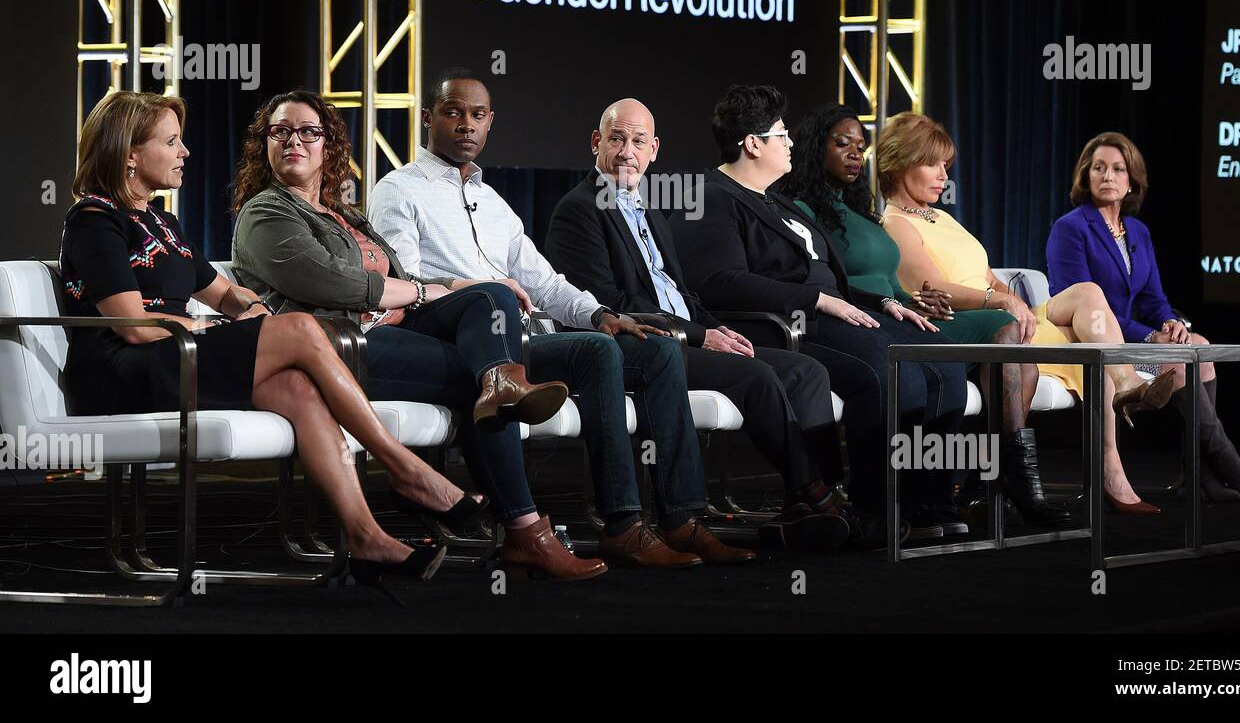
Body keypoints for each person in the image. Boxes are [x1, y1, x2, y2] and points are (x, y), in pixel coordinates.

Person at [60, 90, 453, 590]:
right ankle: (405, 468)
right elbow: (133, 326)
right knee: (304, 328)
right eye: (172, 142)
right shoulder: (95, 221)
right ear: (130, 154)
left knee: (298, 388)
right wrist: (213, 328)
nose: (185, 153)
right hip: (127, 371)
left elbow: (225, 293)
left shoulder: (162, 223)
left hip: (177, 360)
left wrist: (248, 309)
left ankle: (365, 536)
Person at [367, 68, 755, 568]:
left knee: (651, 348)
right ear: (427, 119)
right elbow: (405, 284)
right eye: (453, 112)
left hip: (516, 339)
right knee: (580, 345)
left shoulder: (494, 204)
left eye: (478, 115)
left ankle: (669, 520)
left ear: (490, 124)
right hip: (452, 335)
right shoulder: (399, 190)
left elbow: (546, 283)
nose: (466, 124)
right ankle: (600, 523)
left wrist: (600, 314)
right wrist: (482, 289)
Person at [231, 90, 607, 581]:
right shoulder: (265, 213)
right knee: (480, 387)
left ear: (328, 146)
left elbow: (405, 277)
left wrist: (443, 288)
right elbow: (329, 284)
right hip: (343, 347)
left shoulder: (343, 213)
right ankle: (526, 530)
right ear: (265, 145)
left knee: (490, 298)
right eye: (280, 132)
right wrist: (415, 291)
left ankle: (502, 381)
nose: (294, 140)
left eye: (308, 131)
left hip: (394, 329)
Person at [544, 97, 854, 549]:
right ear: (596, 143)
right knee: (757, 376)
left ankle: (806, 500)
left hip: (687, 335)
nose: (627, 151)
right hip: (647, 346)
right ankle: (819, 497)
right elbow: (608, 302)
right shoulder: (579, 209)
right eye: (617, 139)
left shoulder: (650, 210)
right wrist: (698, 335)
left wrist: (717, 328)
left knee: (806, 370)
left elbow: (683, 293)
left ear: (655, 150)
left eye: (638, 141)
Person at [671, 85, 971, 545]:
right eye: (781, 134)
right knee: (888, 374)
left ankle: (925, 500)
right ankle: (873, 508)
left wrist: (884, 302)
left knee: (943, 357)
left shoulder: (780, 201)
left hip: (835, 315)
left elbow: (833, 280)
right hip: (790, 327)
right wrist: (816, 302)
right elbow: (720, 282)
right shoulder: (712, 197)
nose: (791, 142)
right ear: (753, 144)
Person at [779, 103, 1069, 525]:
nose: (856, 154)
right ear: (813, 148)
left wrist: (907, 301)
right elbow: (828, 282)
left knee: (955, 364)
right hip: (852, 321)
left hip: (894, 315)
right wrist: (893, 302)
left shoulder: (862, 215)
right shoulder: (804, 212)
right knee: (938, 361)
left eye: (861, 146)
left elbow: (888, 279)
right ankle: (915, 499)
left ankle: (941, 497)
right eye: (843, 144)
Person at [877, 111, 1177, 515]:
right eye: (933, 163)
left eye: (946, 166)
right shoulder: (895, 224)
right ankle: (1111, 434)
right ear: (899, 163)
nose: (943, 175)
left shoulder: (942, 217)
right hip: (972, 324)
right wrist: (1001, 302)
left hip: (1003, 313)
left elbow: (986, 277)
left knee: (1088, 295)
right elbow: (936, 289)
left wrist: (1008, 296)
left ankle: (1123, 383)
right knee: (1091, 356)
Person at [1046, 132, 1240, 503]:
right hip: (1092, 340)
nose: (1107, 176)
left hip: (1133, 337)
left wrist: (1171, 325)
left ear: (1132, 179)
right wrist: (1151, 338)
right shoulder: (1070, 228)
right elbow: (1082, 305)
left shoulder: (1137, 231)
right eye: (1099, 168)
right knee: (1179, 364)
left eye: (1118, 169)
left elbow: (1153, 300)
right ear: (1085, 176)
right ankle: (1227, 463)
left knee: (1200, 349)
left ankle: (1201, 475)